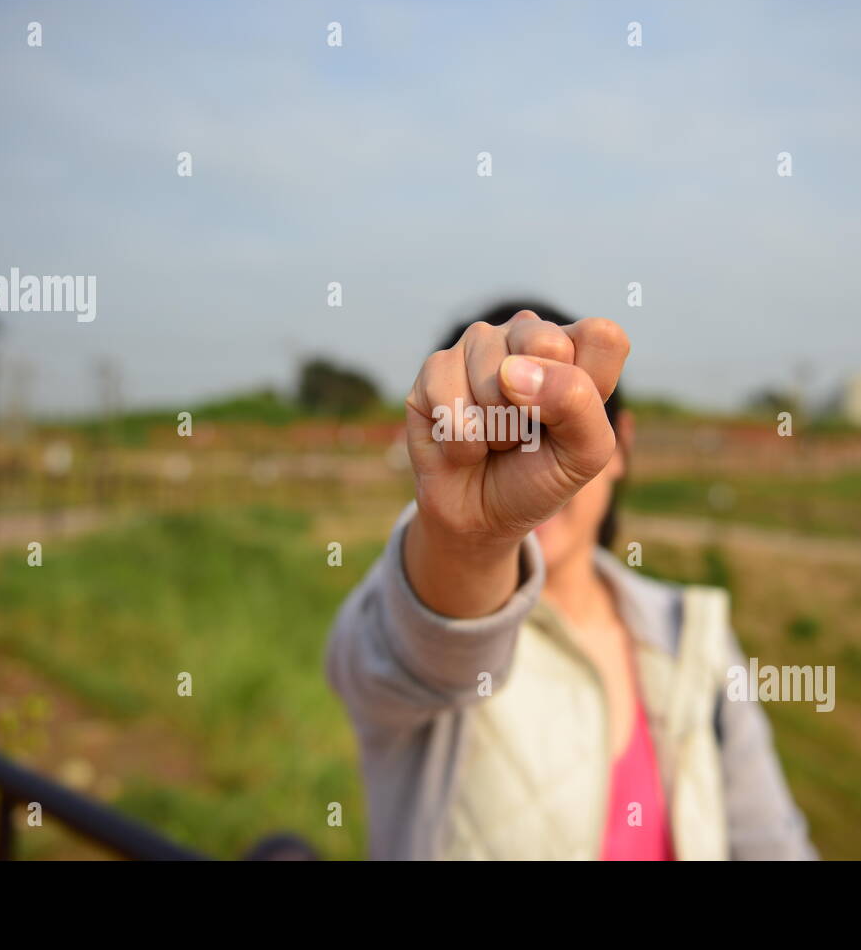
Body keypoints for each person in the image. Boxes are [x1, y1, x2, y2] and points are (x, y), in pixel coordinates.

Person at [326, 300, 816, 860]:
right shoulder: (410, 614)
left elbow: (771, 844)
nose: (523, 460)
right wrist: (472, 539)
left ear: (622, 442)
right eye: (500, 436)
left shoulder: (692, 635)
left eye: (548, 427)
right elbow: (427, 645)